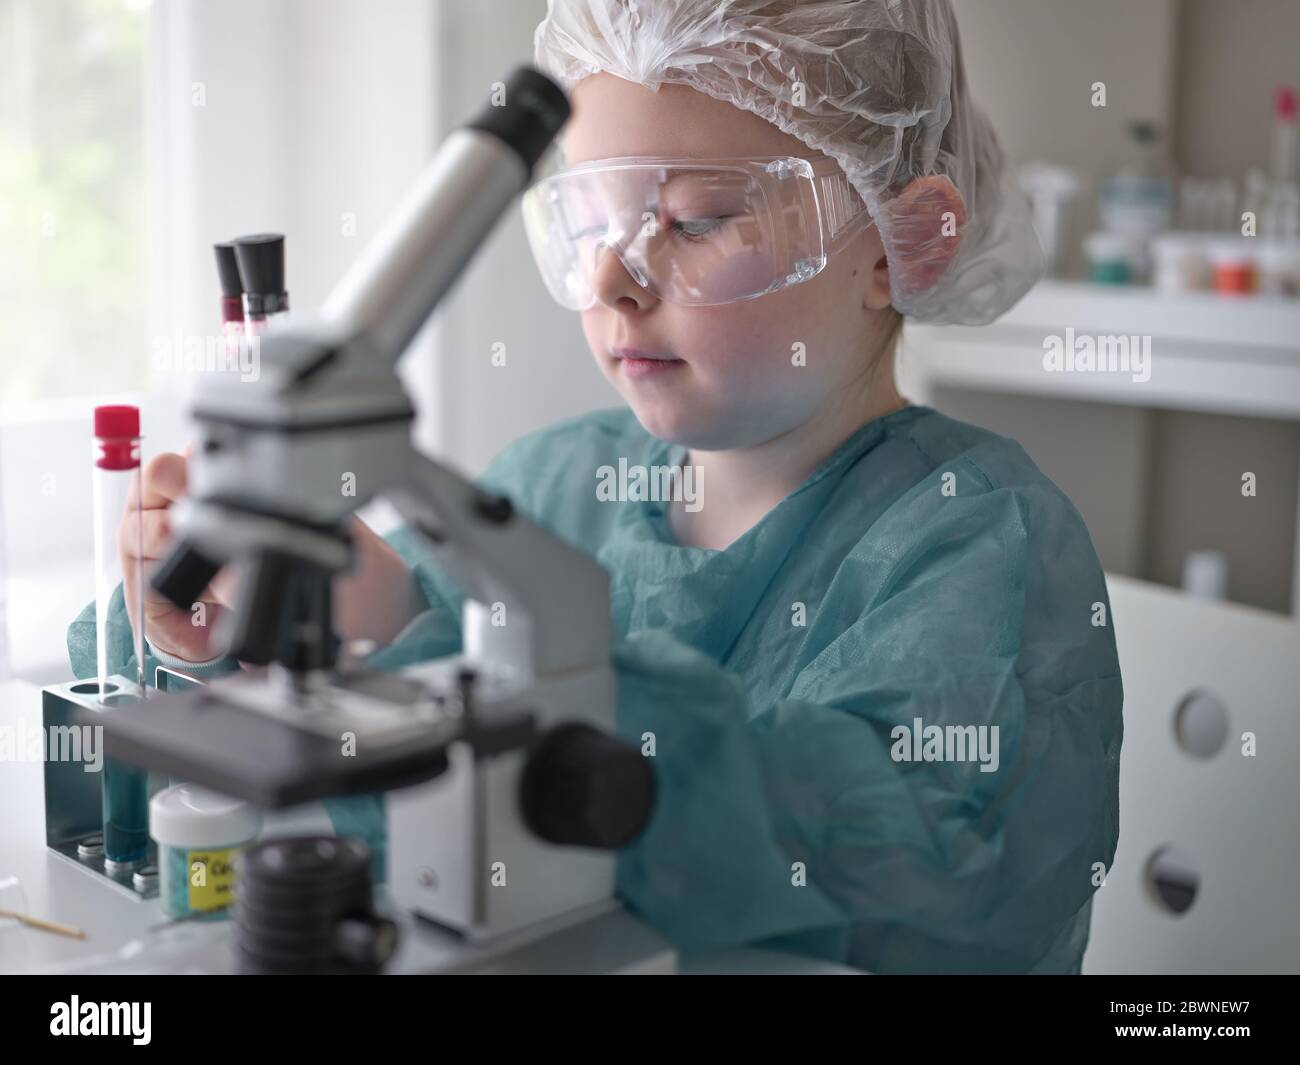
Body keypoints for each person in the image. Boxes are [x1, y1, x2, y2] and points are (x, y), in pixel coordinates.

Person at [70, 0, 1122, 973]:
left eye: (701, 218)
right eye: (588, 222)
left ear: (904, 245)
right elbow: (351, 737)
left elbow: (896, 866)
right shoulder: (559, 481)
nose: (614, 278)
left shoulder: (979, 538)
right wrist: (242, 617)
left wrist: (465, 676)